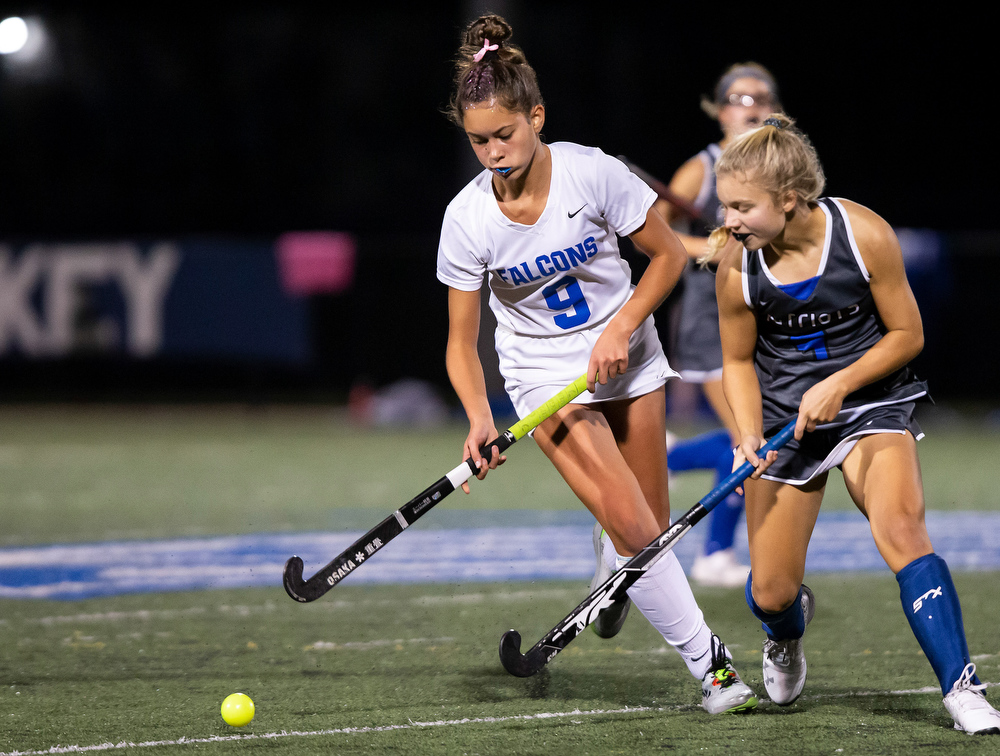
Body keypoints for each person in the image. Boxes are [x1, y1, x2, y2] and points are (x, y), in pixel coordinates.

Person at [436, 13, 756, 714]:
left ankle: (615, 568)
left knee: (650, 527)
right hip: (547, 380)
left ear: (536, 115)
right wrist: (480, 418)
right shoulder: (466, 221)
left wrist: (624, 326)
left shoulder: (593, 173)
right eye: (478, 140)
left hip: (631, 359)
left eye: (505, 134)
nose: (492, 151)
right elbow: (462, 344)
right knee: (639, 527)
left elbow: (669, 256)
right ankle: (715, 669)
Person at [713, 113, 1000, 733]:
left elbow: (908, 335)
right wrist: (745, 436)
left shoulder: (863, 233)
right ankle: (786, 635)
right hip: (788, 422)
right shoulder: (736, 268)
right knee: (771, 594)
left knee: (901, 530)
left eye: (742, 206)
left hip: (870, 405)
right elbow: (736, 361)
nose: (728, 220)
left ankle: (963, 689)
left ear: (788, 201)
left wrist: (840, 384)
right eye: (725, 205)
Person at [654, 63, 781, 588]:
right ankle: (714, 554)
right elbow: (651, 229)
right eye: (738, 96)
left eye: (761, 97)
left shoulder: (778, 170)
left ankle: (668, 456)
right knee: (751, 438)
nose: (749, 105)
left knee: (756, 436)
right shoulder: (702, 169)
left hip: (764, 322)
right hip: (711, 323)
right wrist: (703, 247)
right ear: (721, 109)